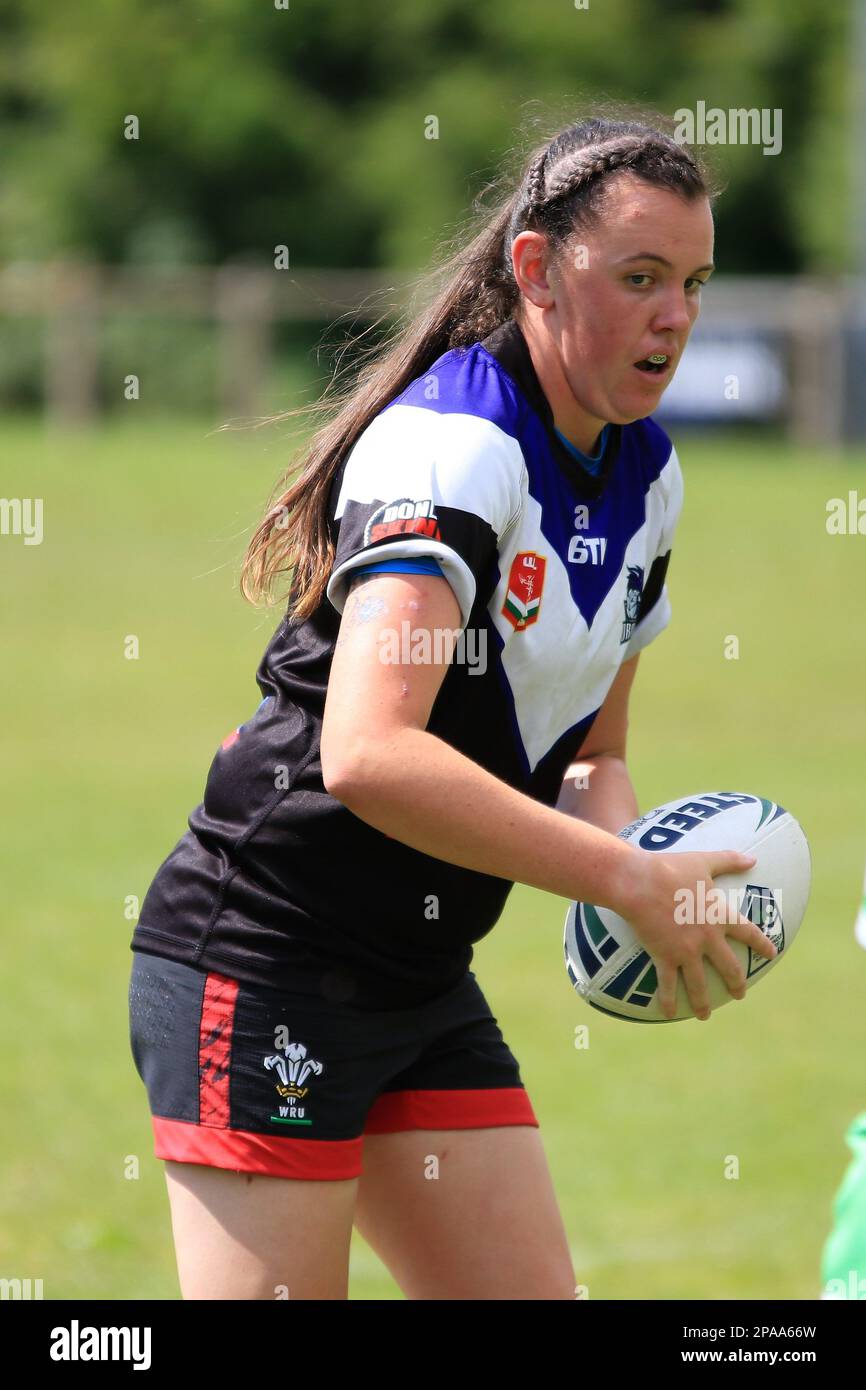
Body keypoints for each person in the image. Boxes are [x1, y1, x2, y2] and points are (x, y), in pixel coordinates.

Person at [128, 110, 776, 1301]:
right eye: (637, 277)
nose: (674, 315)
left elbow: (592, 757)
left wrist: (638, 865)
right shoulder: (452, 445)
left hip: (418, 980)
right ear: (534, 268)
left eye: (690, 281)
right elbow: (369, 754)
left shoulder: (649, 475)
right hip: (264, 953)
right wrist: (620, 881)